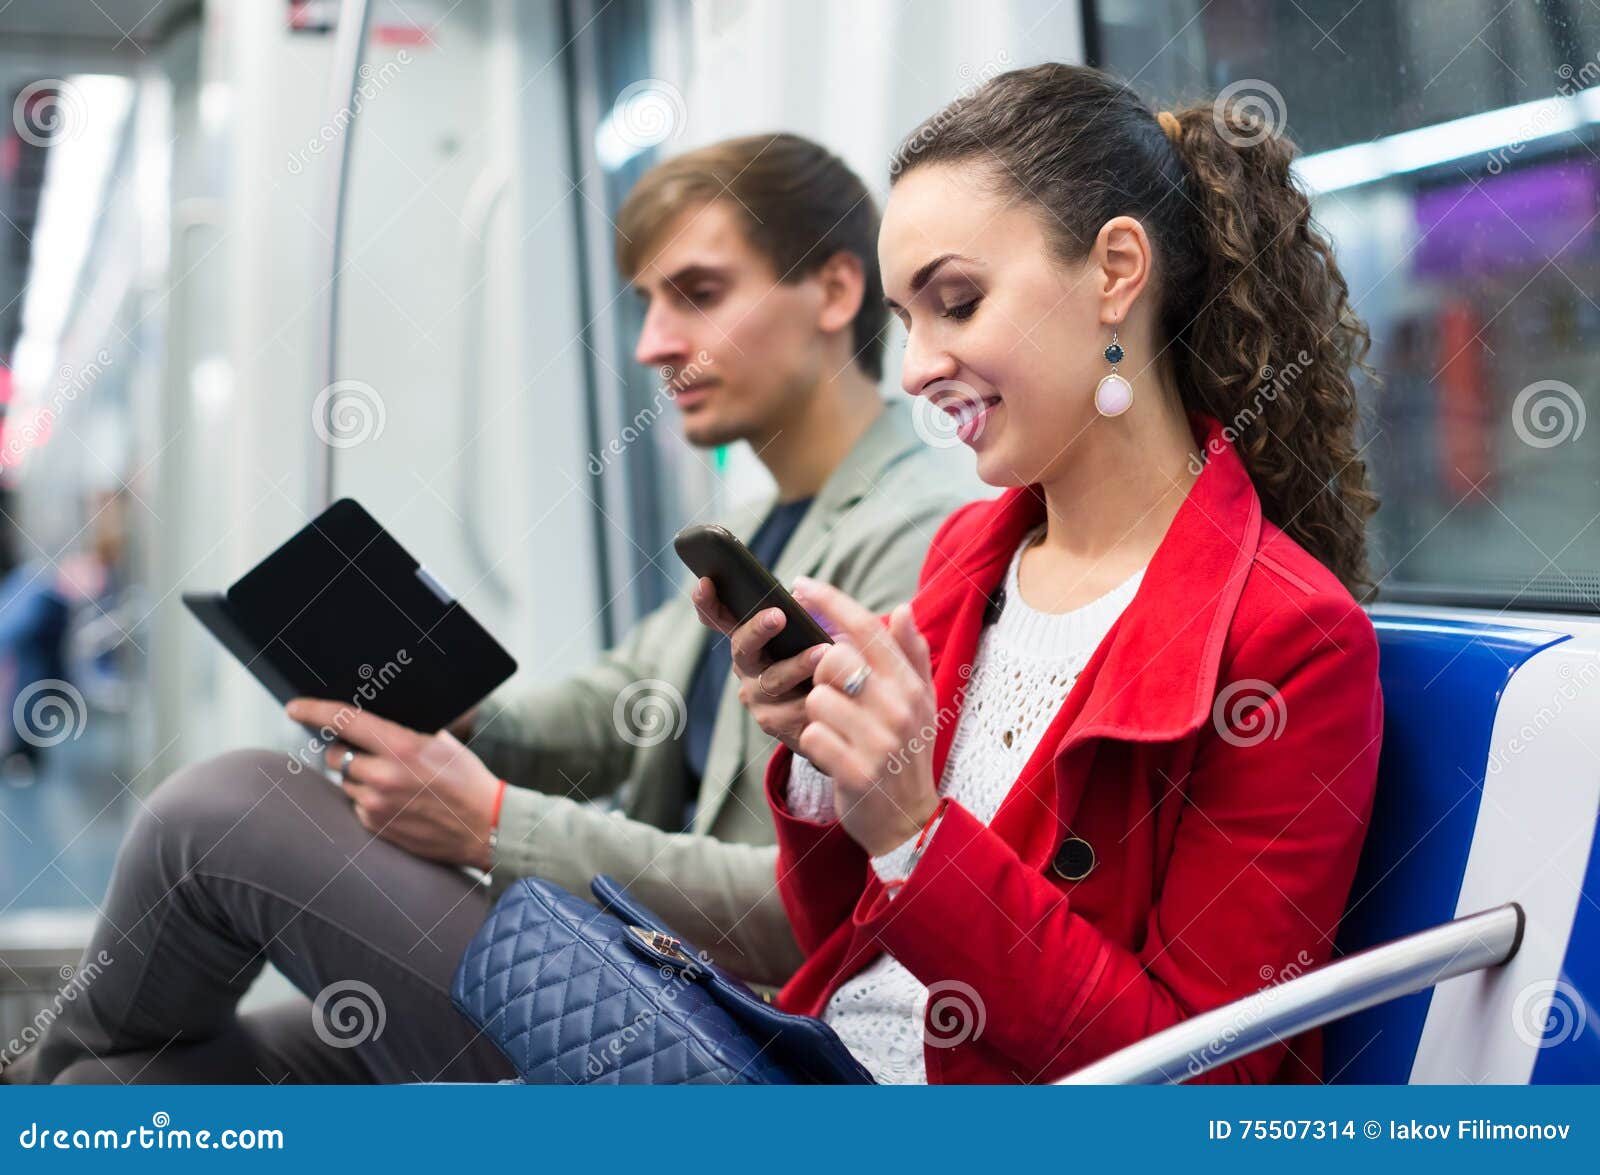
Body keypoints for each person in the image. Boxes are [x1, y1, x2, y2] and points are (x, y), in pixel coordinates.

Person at [20, 133, 970, 1085]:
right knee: (122, 1090)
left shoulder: (917, 539)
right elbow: (605, 712)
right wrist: (443, 702)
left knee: (220, 809)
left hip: (719, 1030)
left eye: (699, 294)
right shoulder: (754, 530)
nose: (654, 345)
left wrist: (492, 825)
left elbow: (797, 910)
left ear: (837, 293)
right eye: (647, 304)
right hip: (631, 974)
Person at [697, 65, 1384, 1084]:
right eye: (908, 319)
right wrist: (823, 757)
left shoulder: (1290, 641)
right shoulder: (965, 557)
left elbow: (1200, 1077)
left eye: (958, 302)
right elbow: (843, 939)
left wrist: (916, 837)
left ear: (1114, 269)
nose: (918, 366)